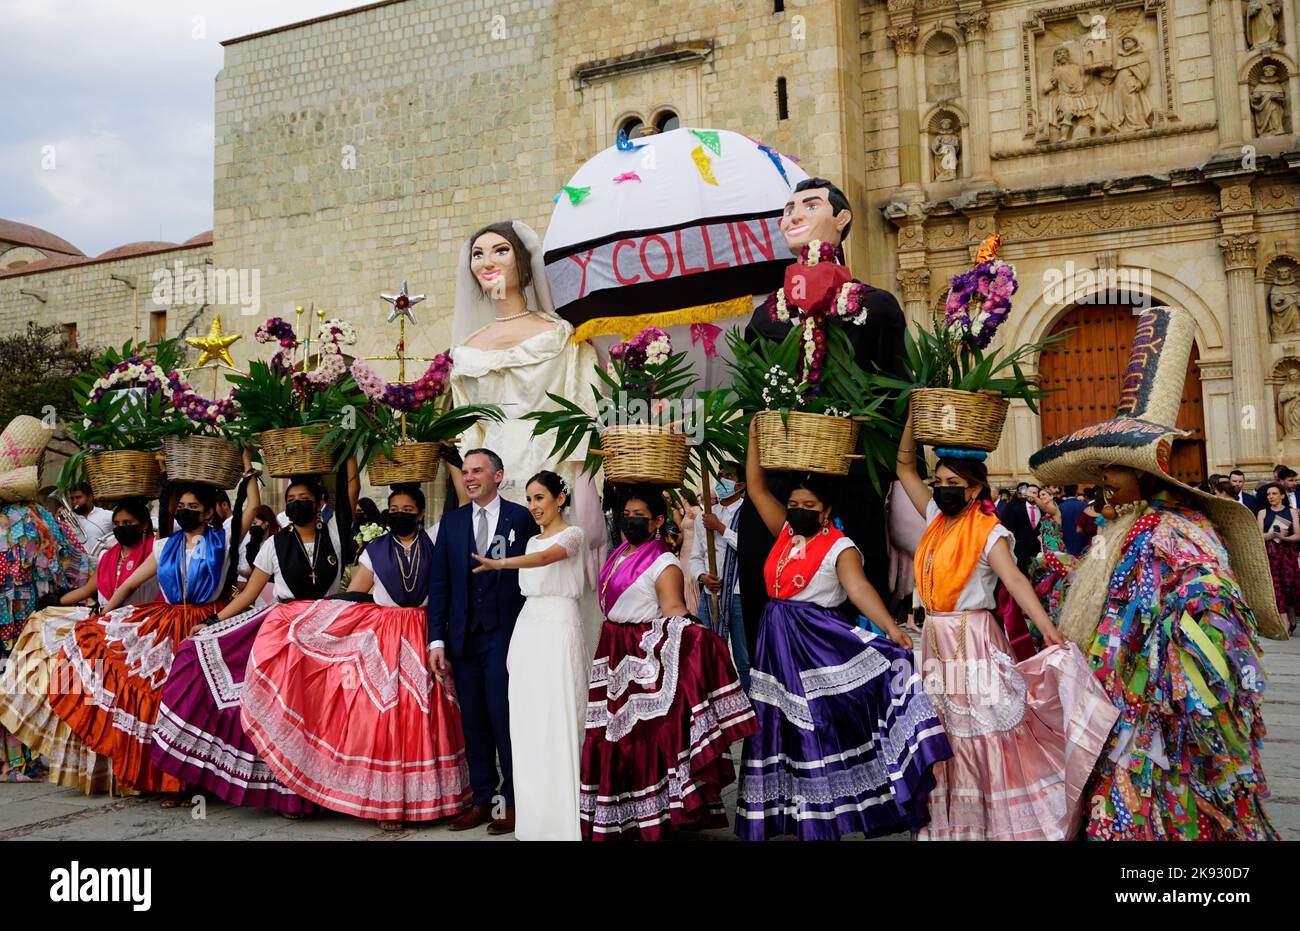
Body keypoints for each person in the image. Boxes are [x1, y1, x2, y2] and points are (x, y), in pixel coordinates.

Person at [1031, 304, 1285, 840]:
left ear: (1148, 474)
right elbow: (1094, 590)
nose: (1103, 481)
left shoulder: (1177, 532)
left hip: (1161, 729)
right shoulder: (1121, 527)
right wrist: (1052, 551)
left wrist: (1173, 683)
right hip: (1115, 716)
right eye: (1100, 470)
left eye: (1114, 468)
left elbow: (1214, 614)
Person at [895, 407, 1118, 840]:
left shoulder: (988, 530)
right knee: (943, 735)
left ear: (975, 488)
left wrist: (1048, 631)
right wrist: (913, 417)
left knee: (984, 734)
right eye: (938, 484)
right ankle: (949, 827)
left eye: (952, 485)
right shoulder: (935, 520)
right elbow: (904, 467)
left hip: (973, 639)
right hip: (936, 641)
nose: (942, 490)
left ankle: (1000, 825)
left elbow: (1014, 579)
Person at [735, 419, 951, 840]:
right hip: (774, 645)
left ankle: (824, 823)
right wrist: (755, 441)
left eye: (807, 506)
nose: (798, 509)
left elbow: (858, 589)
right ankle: (794, 819)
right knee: (779, 732)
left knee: (814, 731)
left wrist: (891, 627)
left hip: (817, 644)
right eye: (794, 502)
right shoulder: (785, 531)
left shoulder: (839, 546)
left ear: (827, 511)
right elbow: (757, 488)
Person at [740, 177, 906, 655]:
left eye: (809, 205)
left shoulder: (875, 307)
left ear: (843, 219)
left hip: (850, 485)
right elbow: (751, 403)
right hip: (774, 490)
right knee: (765, 611)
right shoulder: (765, 317)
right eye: (787, 208)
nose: (791, 215)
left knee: (857, 617)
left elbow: (898, 397)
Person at [242, 484, 469, 831]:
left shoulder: (437, 541)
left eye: (408, 508)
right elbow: (356, 594)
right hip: (385, 635)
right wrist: (307, 614)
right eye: (394, 508)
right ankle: (387, 803)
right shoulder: (374, 551)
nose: (400, 513)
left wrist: (450, 459)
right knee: (385, 712)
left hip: (426, 632)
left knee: (427, 711)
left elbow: (463, 504)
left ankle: (436, 800)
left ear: (421, 513)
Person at [50, 472, 259, 801]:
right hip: (169, 622)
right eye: (182, 505)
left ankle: (211, 779)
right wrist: (105, 614)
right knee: (165, 703)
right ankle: (172, 782)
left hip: (209, 621)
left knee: (204, 701)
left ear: (208, 513)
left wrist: (249, 473)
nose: (186, 511)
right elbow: (128, 584)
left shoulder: (224, 539)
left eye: (194, 506)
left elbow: (253, 507)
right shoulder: (164, 546)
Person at [151, 477, 345, 816]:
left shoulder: (337, 536)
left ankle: (328, 790)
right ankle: (288, 795)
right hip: (283, 630)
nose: (297, 503)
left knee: (324, 711)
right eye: (292, 498)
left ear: (320, 503)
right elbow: (249, 594)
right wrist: (213, 623)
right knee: (282, 710)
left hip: (326, 627)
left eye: (304, 498)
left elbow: (350, 492)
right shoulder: (273, 544)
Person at [581, 484, 757, 839]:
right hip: (613, 649)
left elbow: (674, 614)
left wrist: (701, 642)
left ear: (658, 521)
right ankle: (625, 817)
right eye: (627, 516)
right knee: (611, 738)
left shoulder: (663, 562)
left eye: (639, 517)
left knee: (641, 740)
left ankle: (658, 819)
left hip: (640, 656)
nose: (630, 522)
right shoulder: (623, 553)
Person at [448, 220, 605, 591]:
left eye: (500, 250)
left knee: (550, 584)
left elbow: (584, 415)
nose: (487, 261)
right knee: (494, 588)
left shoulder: (560, 336)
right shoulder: (469, 350)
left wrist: (584, 486)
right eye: (478, 253)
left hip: (550, 472)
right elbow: (468, 434)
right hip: (493, 483)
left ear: (523, 261)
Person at [427, 448, 538, 835]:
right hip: (462, 639)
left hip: (505, 636)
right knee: (473, 721)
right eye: (466, 471)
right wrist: (436, 640)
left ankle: (513, 804)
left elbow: (533, 578)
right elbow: (439, 584)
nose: (470, 477)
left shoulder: (519, 518)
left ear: (497, 475)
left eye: (477, 471)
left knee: (503, 717)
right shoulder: (453, 522)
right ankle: (482, 801)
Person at [471, 470, 587, 841]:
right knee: (528, 722)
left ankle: (567, 819)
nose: (534, 506)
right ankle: (536, 821)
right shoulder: (531, 538)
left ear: (560, 499)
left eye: (540, 498)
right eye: (530, 499)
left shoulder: (573, 535)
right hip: (529, 629)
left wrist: (500, 563)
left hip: (558, 628)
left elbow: (546, 560)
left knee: (560, 717)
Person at [0, 496, 142, 790]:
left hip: (129, 629)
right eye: (118, 524)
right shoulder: (104, 556)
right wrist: (54, 600)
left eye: (128, 524)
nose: (122, 528)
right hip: (91, 627)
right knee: (69, 689)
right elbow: (84, 581)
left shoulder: (151, 552)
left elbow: (98, 579)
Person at [689, 462, 750, 690]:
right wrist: (702, 576)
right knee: (709, 651)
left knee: (743, 658)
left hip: (737, 594)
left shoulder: (748, 514)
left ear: (741, 484)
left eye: (728, 476)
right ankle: (716, 699)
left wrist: (722, 529)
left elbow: (749, 548)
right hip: (709, 594)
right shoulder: (704, 517)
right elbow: (696, 556)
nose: (722, 478)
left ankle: (748, 704)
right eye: (720, 475)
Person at [1258, 482, 1300, 633]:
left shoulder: (1292, 512)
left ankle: (1291, 615)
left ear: (1282, 495)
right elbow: (1258, 536)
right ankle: (1285, 622)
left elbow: (1298, 535)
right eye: (1268, 494)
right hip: (1271, 554)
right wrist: (1270, 535)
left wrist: (1284, 538)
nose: (1271, 496)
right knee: (1277, 587)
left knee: (1290, 587)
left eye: (1274, 493)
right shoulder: (1263, 512)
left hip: (1288, 555)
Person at [999, 481, 1042, 573]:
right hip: (1021, 551)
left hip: (1038, 551)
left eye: (1034, 493)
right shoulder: (1015, 509)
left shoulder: (1043, 510)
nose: (1031, 495)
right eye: (1029, 492)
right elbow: (1010, 529)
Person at [67, 483, 114, 558]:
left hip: (103, 562)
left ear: (90, 497)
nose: (74, 502)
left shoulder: (108, 515)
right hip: (78, 565)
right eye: (72, 498)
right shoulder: (68, 519)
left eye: (78, 497)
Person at [676, 489, 701, 617]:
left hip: (693, 548)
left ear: (685, 498)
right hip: (684, 549)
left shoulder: (696, 510)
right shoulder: (686, 513)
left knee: (690, 579)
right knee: (685, 579)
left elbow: (701, 528)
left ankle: (694, 611)